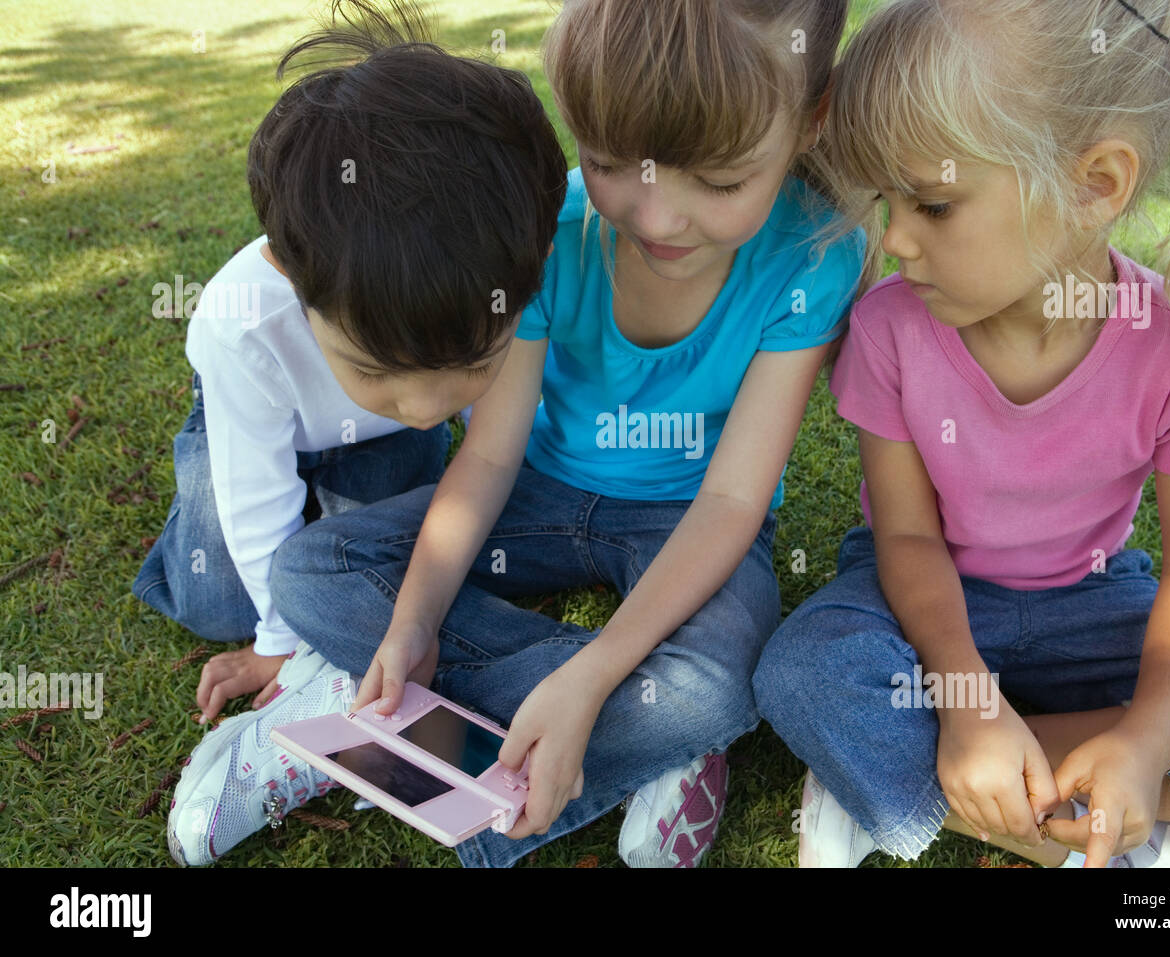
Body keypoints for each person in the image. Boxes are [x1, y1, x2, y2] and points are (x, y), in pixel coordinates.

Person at [253, 0, 868, 867]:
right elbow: (493, 453)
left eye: (720, 183)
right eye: (614, 162)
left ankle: (520, 726)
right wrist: (414, 620)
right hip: (538, 493)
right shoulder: (555, 227)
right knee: (313, 572)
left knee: (721, 677)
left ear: (811, 120)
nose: (656, 219)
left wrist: (596, 670)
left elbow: (732, 501)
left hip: (687, 522)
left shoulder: (811, 257)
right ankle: (628, 737)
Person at [755, 0, 1170, 868]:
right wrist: (967, 698)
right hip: (921, 603)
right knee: (807, 673)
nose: (893, 238)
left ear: (1096, 185)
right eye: (885, 201)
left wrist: (1148, 744)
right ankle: (1091, 834)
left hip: (1095, 601)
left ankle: (941, 777)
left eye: (932, 204)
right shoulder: (893, 328)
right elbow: (903, 534)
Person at [157, 0, 568, 866]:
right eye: (377, 369)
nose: (424, 407)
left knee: (385, 553)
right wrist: (276, 640)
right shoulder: (241, 323)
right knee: (216, 599)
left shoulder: (495, 270)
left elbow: (485, 453)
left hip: (367, 451)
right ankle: (307, 655)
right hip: (264, 429)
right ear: (292, 280)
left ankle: (337, 667)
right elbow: (255, 483)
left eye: (464, 368)